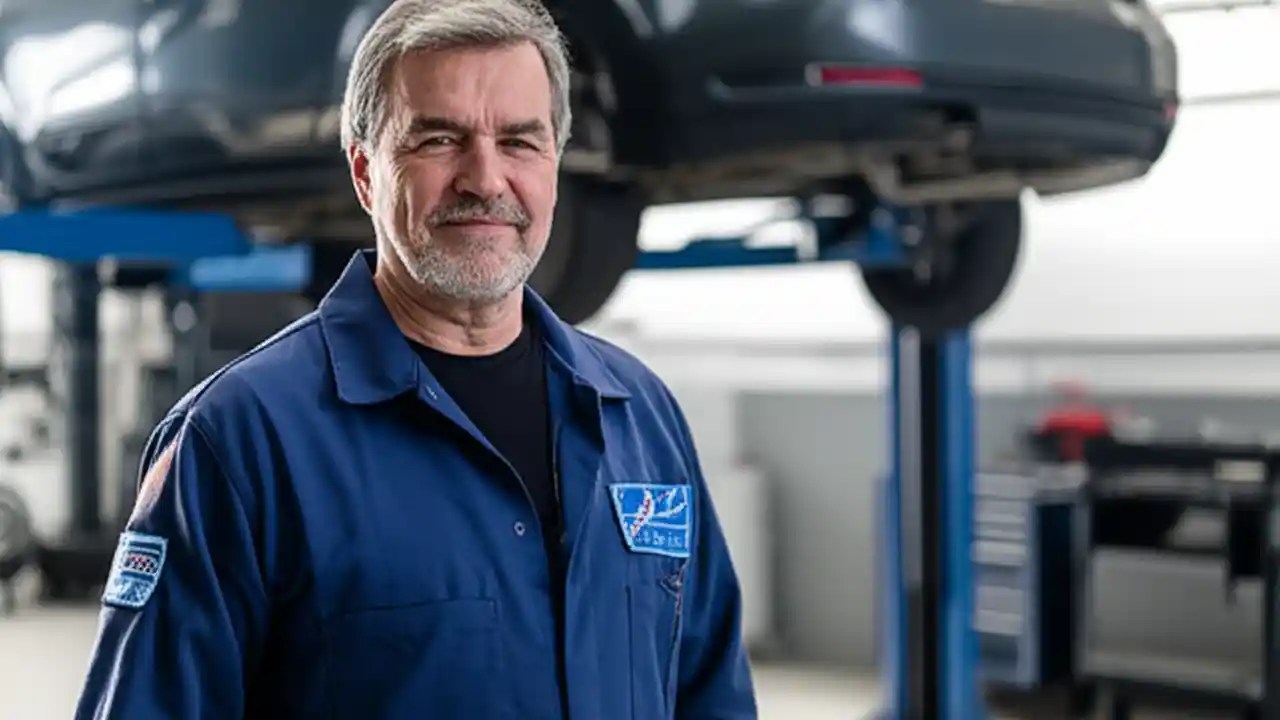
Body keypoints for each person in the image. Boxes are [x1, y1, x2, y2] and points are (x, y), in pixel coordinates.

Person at [73, 0, 758, 718]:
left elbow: (712, 694)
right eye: (439, 139)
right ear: (367, 172)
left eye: (521, 141)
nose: (485, 179)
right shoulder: (240, 440)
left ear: (556, 163)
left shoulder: (638, 417)